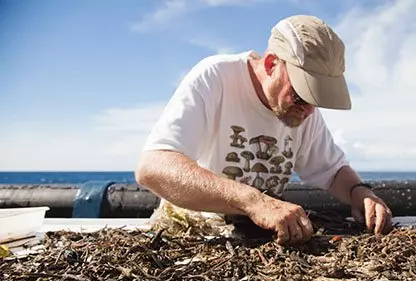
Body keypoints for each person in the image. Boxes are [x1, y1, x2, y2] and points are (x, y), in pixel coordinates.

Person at [136, 14, 392, 245]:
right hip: (195, 233)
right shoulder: (216, 78)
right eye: (301, 96)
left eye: (316, 100)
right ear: (271, 64)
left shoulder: (303, 110)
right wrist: (253, 201)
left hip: (257, 237)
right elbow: (153, 167)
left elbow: (333, 171)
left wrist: (361, 193)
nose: (309, 110)